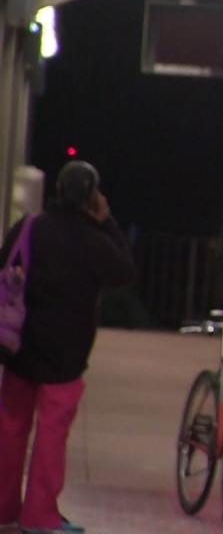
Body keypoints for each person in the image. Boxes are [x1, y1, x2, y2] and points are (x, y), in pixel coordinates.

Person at [0, 161, 136, 534]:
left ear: (58, 189)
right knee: (51, 433)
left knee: (10, 428)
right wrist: (107, 222)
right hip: (66, 355)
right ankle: (39, 516)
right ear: (91, 196)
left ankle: (4, 508)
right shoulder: (94, 242)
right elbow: (125, 271)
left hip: (20, 347)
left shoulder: (30, 227)